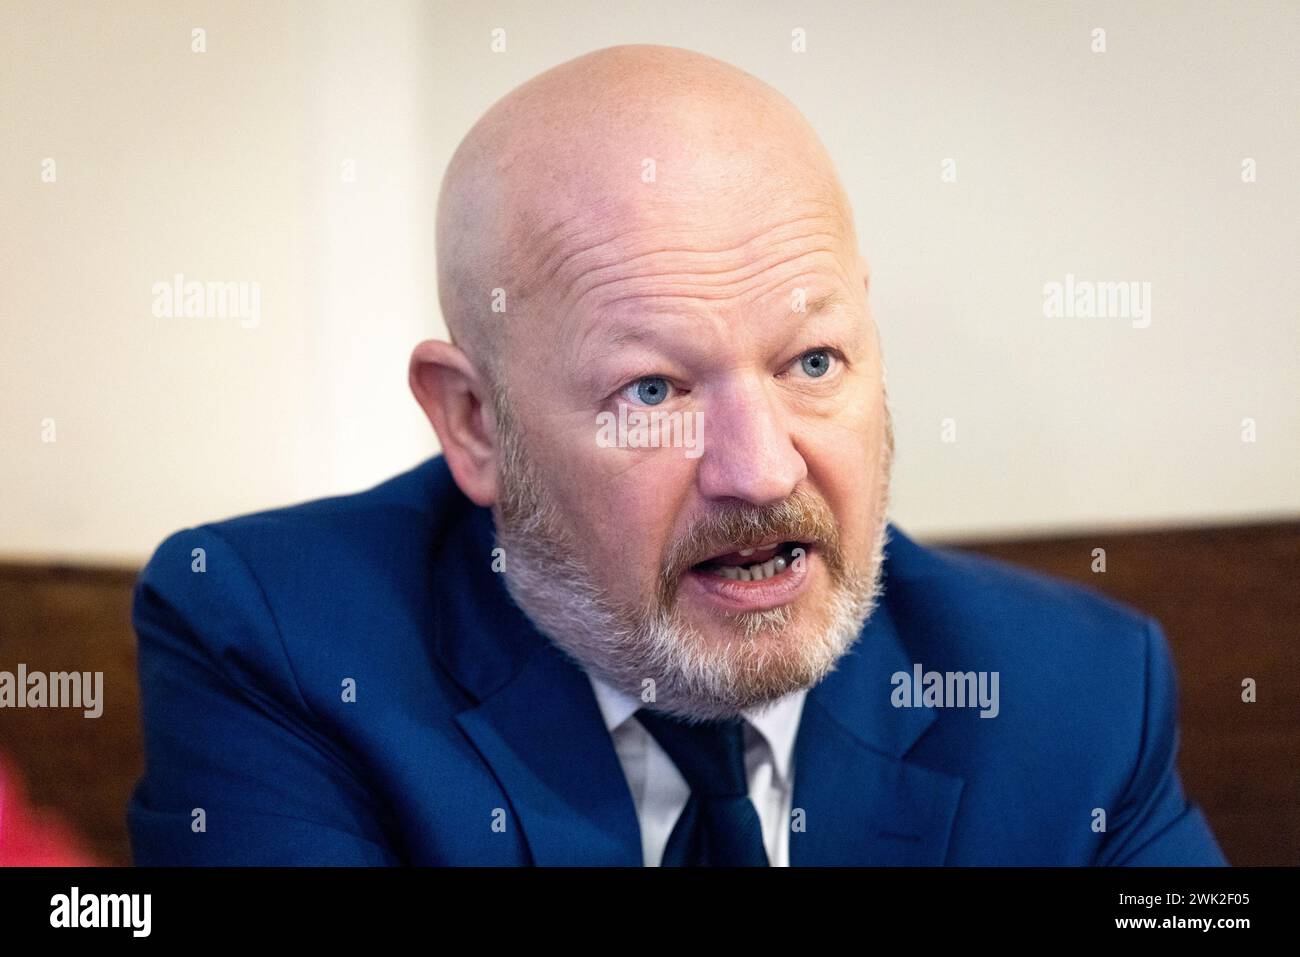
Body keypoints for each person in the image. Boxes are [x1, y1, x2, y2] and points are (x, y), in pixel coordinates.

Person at [128, 45, 1226, 866]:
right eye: (652, 390)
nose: (761, 473)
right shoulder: (273, 642)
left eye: (811, 362)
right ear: (474, 422)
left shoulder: (1074, 698)